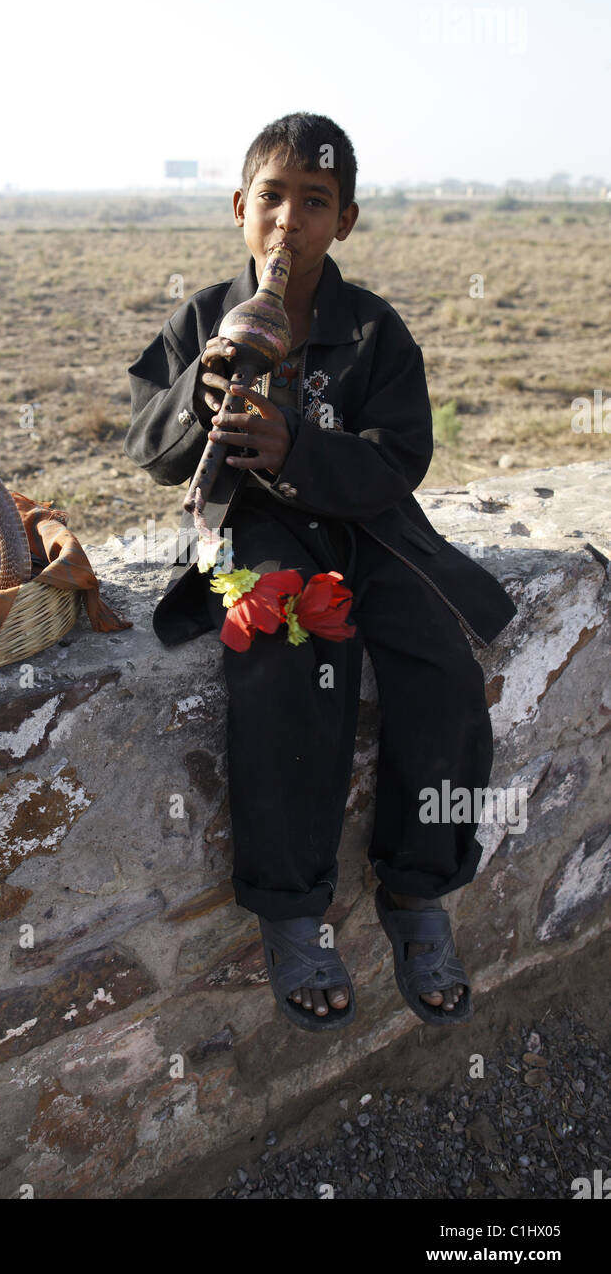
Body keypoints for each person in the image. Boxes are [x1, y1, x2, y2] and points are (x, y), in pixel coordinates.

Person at [123, 111, 517, 1031]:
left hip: (368, 530)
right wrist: (201, 393)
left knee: (443, 669)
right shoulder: (198, 320)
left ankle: (418, 895)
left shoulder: (374, 330)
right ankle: (295, 909)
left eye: (316, 202)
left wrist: (297, 444)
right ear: (239, 208)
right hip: (258, 533)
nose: (289, 222)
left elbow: (400, 457)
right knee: (288, 663)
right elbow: (151, 449)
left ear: (344, 221)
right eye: (272, 198)